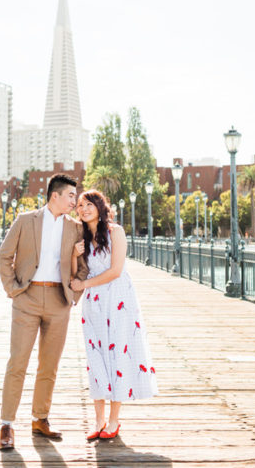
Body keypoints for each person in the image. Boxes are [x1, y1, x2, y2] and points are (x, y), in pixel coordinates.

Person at [0, 174, 89, 451]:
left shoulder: (75, 228)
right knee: (18, 363)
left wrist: (74, 294)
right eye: (71, 196)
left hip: (59, 301)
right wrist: (13, 289)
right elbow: (3, 257)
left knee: (49, 365)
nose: (75, 201)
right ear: (55, 196)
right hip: (28, 297)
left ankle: (40, 419)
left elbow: (83, 268)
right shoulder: (26, 220)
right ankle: (6, 424)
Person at [71, 189, 158, 441]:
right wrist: (74, 255)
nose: (84, 209)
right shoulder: (81, 235)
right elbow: (77, 274)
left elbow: (116, 270)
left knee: (117, 352)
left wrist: (84, 285)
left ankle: (114, 420)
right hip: (93, 302)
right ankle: (98, 420)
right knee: (95, 355)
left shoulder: (115, 232)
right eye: (79, 205)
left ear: (99, 206)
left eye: (88, 204)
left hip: (118, 298)